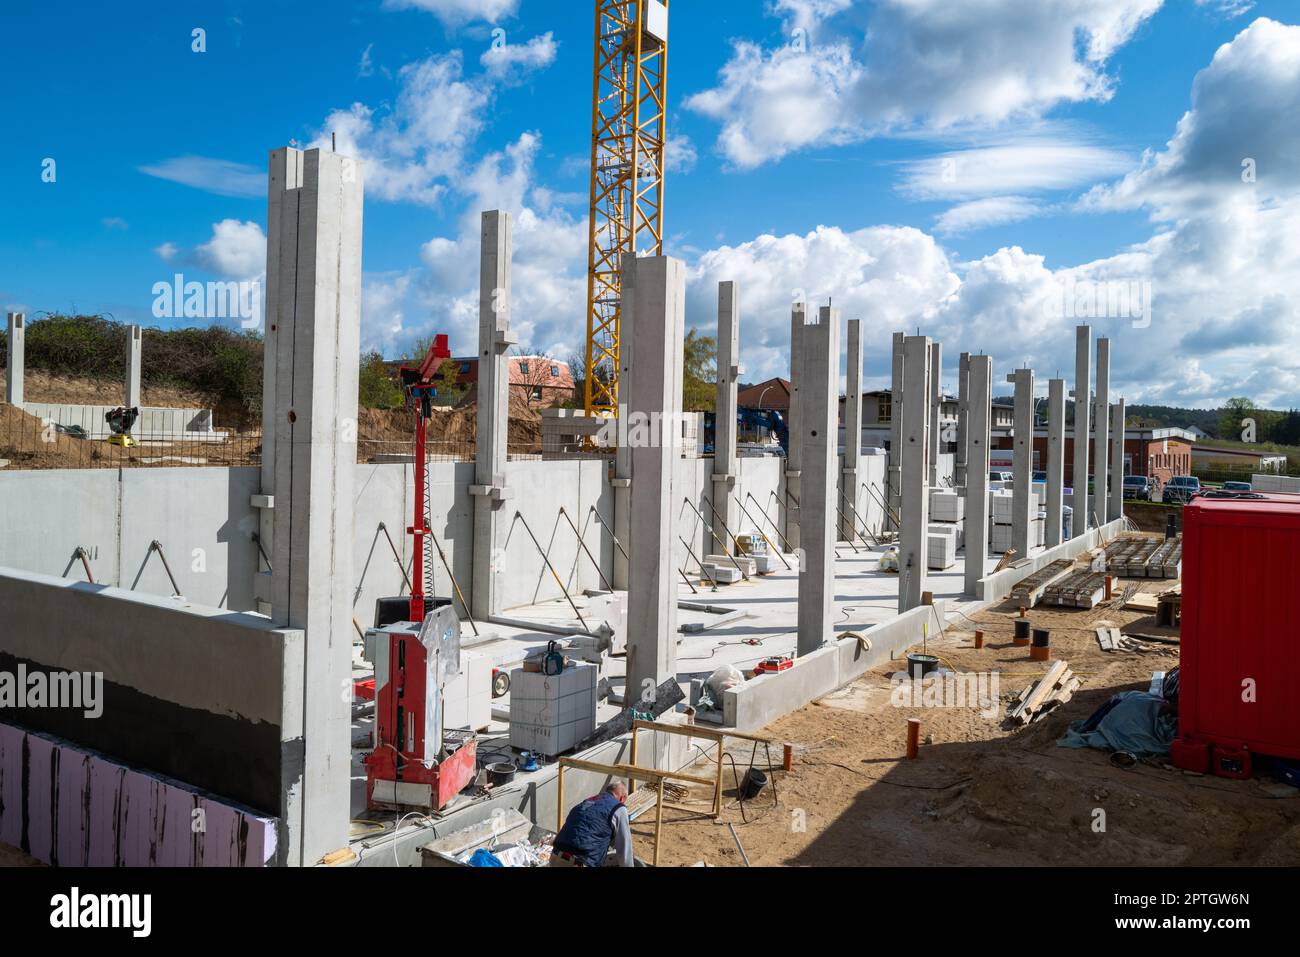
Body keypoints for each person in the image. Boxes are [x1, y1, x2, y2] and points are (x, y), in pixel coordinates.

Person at [549, 781, 634, 867]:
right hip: (581, 861)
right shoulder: (618, 808)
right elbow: (624, 849)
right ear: (622, 798)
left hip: (556, 857)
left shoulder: (586, 802)